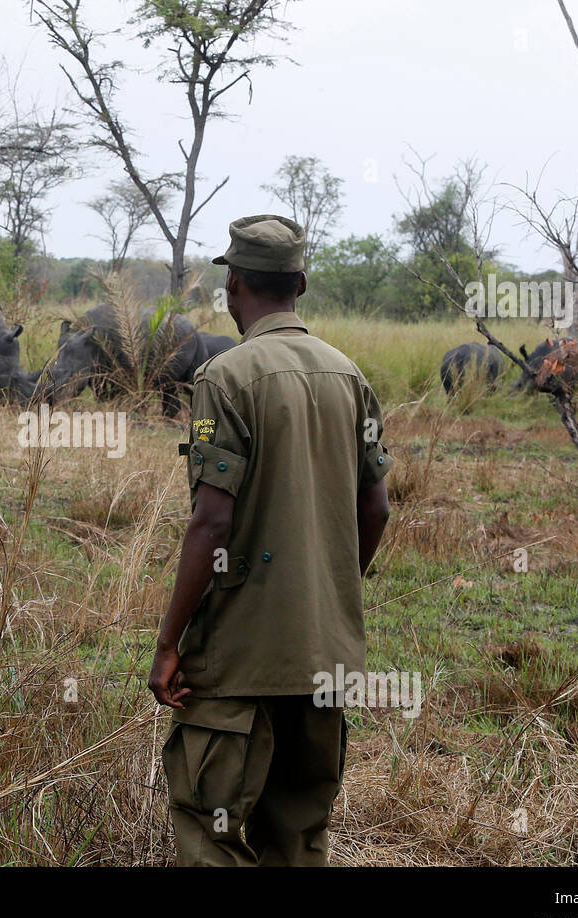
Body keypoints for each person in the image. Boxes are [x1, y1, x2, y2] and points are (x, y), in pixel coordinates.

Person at [148, 214, 392, 866]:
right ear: (301, 283)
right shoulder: (351, 378)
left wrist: (170, 642)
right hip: (323, 655)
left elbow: (210, 523)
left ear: (233, 288)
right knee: (298, 839)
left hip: (238, 659)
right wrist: (334, 587)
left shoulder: (224, 379)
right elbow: (377, 507)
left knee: (210, 832)